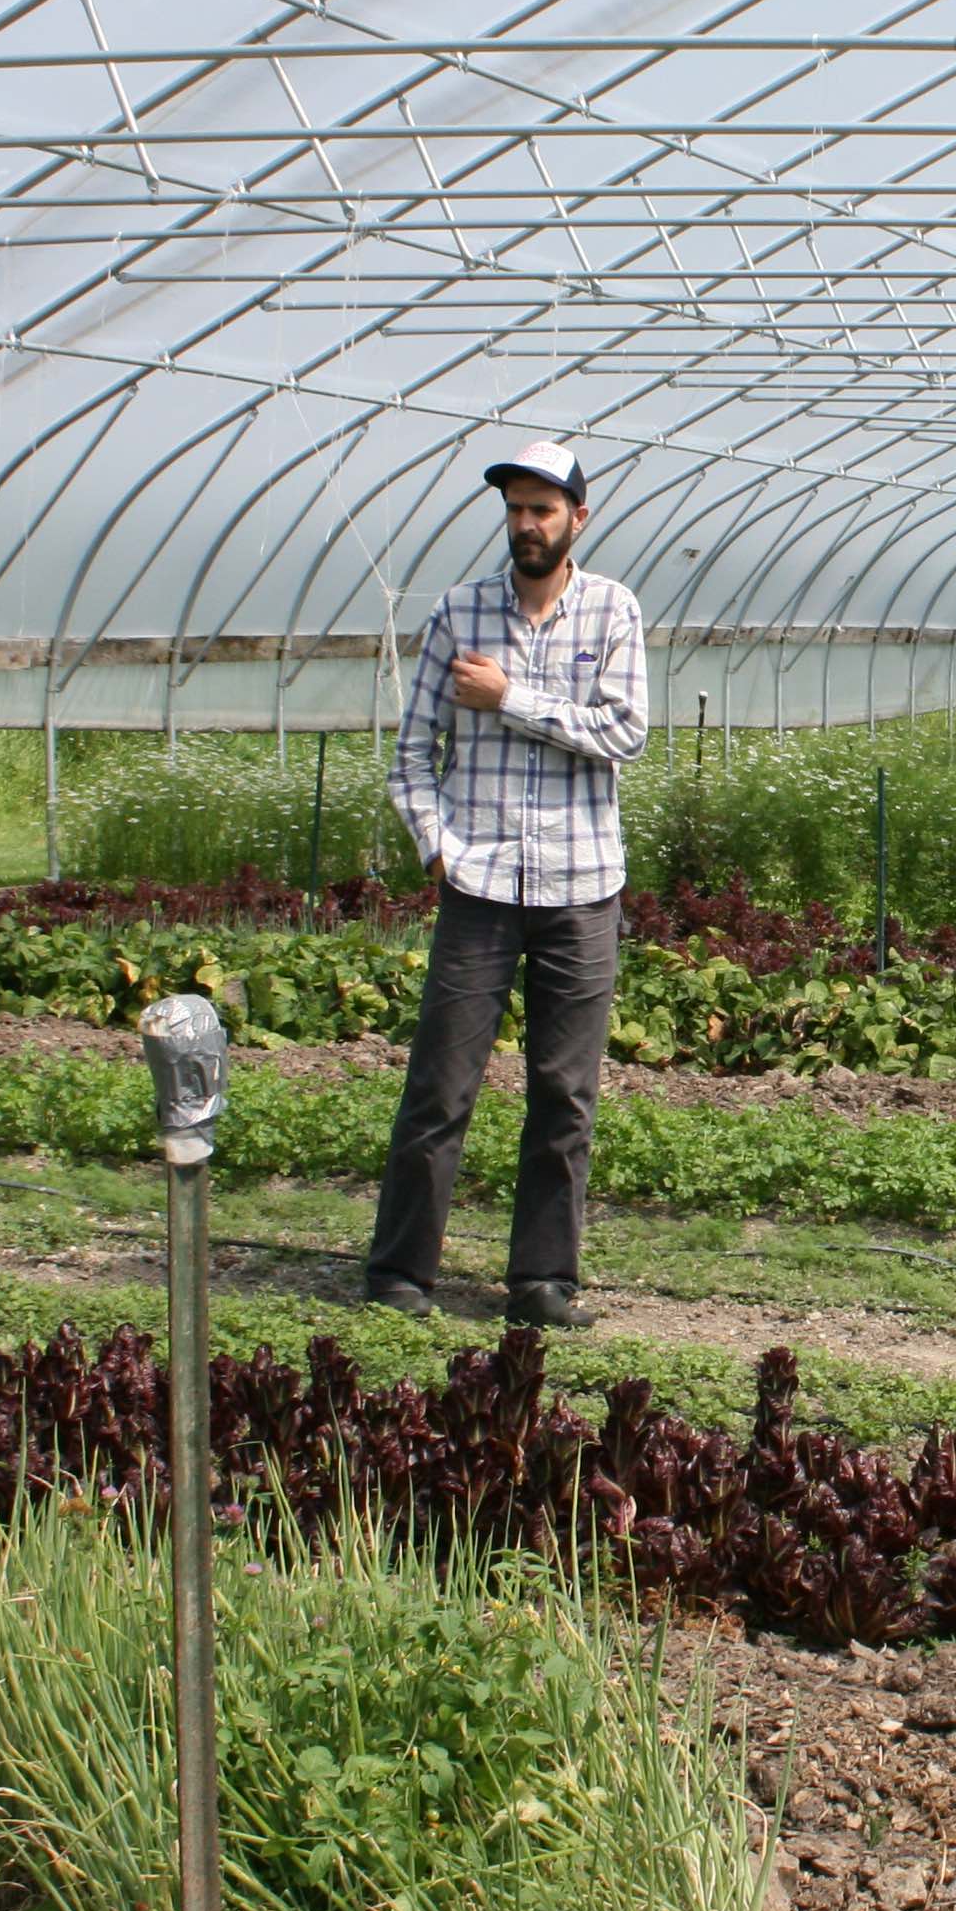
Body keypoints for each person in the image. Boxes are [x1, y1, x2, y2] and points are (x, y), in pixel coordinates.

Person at [366, 436, 648, 1327]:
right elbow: (413, 752)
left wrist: (512, 700)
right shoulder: (459, 614)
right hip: (479, 885)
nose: (526, 525)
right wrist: (435, 848)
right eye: (516, 509)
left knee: (564, 1096)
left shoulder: (612, 613)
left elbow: (626, 733)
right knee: (441, 1088)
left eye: (543, 510)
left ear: (578, 520)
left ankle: (541, 1282)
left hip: (579, 888)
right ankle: (401, 1273)